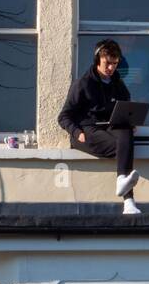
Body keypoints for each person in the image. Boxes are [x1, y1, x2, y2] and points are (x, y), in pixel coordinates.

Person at [59, 39, 141, 215]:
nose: (111, 68)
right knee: (125, 147)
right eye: (107, 63)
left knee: (126, 134)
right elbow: (64, 116)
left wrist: (132, 121)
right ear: (97, 60)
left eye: (115, 64)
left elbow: (126, 105)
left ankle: (122, 180)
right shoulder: (82, 84)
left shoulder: (118, 83)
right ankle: (129, 201)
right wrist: (76, 132)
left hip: (109, 128)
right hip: (86, 131)